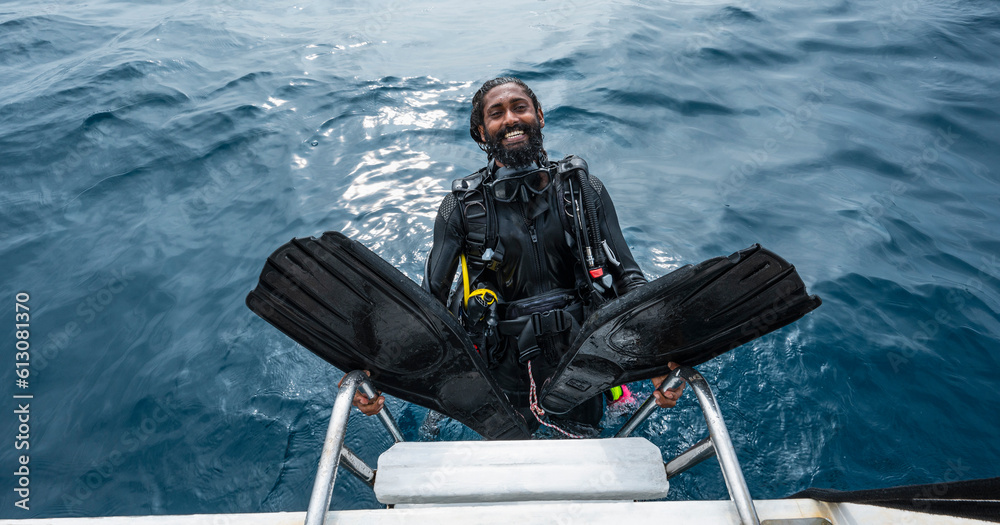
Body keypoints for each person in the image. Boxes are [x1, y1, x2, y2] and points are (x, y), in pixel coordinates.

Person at [349, 77, 684, 434]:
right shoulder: (461, 208)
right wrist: (377, 373)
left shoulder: (582, 190)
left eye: (519, 107)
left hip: (582, 361)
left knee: (588, 453)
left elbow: (629, 279)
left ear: (539, 115)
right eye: (497, 113)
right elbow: (428, 303)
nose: (510, 119)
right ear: (481, 132)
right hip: (503, 367)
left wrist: (656, 358)